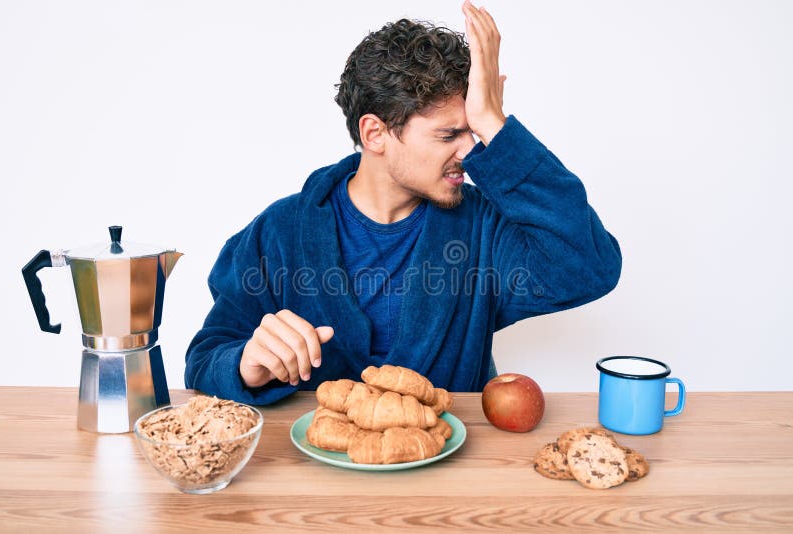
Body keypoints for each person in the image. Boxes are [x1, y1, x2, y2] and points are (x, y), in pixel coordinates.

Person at [184, 1, 622, 405]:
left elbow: (587, 268)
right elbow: (204, 361)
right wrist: (246, 363)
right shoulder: (280, 231)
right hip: (314, 477)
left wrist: (497, 124)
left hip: (447, 475)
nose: (472, 153)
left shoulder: (483, 228)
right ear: (375, 134)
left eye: (475, 131)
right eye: (449, 135)